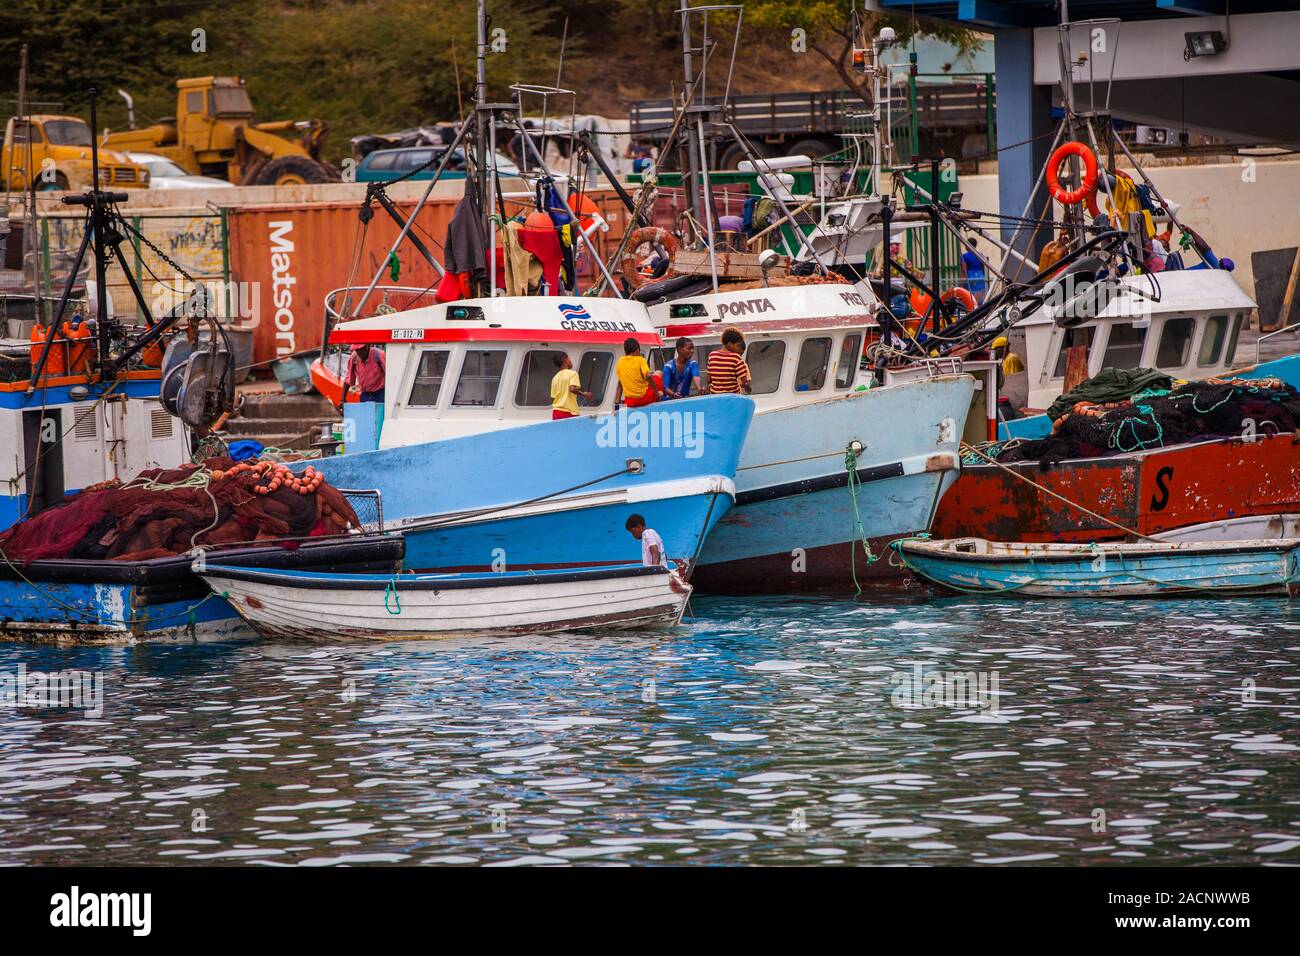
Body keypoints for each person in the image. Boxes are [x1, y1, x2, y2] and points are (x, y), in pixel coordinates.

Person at [614, 336, 659, 407]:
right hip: (644, 399)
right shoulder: (640, 360)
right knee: (658, 375)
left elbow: (620, 384)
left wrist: (617, 403)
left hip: (630, 402)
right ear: (637, 350)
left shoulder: (620, 361)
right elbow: (649, 376)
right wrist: (657, 393)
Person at [706, 326, 751, 395]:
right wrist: (747, 387)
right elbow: (744, 381)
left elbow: (709, 380)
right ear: (730, 344)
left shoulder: (712, 355)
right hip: (732, 398)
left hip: (716, 397)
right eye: (738, 345)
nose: (739, 348)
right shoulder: (736, 358)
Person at [550, 352, 592, 420]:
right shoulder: (573, 373)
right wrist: (584, 394)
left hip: (556, 412)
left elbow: (554, 397)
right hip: (569, 412)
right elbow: (572, 389)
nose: (570, 361)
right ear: (565, 361)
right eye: (569, 358)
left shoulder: (555, 378)